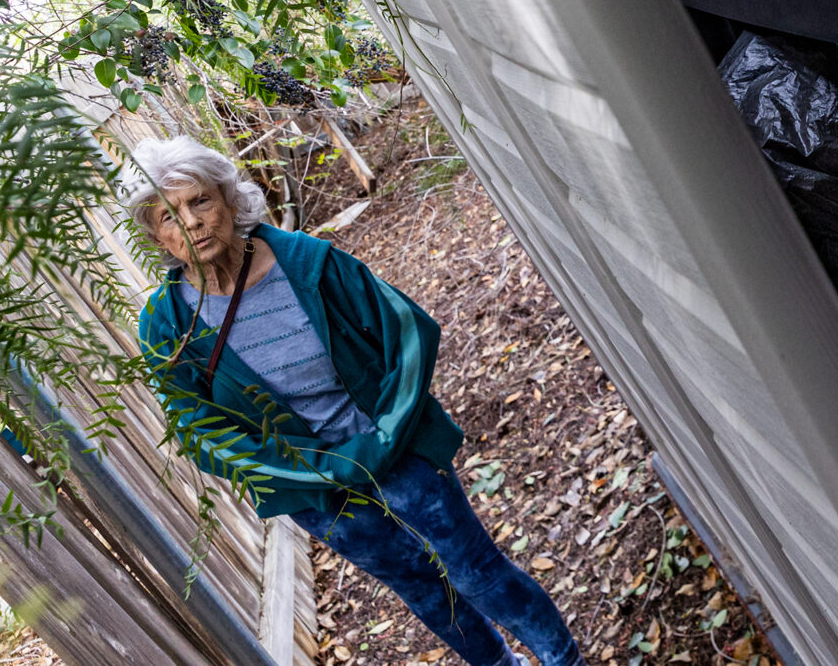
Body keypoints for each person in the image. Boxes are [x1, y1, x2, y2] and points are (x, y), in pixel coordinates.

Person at [126, 135, 581, 666]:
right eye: (167, 215)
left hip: (398, 452)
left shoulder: (308, 262)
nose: (191, 223)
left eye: (199, 201)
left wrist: (384, 438)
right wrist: (318, 471)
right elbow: (200, 432)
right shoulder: (167, 324)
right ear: (156, 236)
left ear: (228, 199)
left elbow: (406, 332)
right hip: (318, 496)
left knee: (474, 570)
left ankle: (564, 659)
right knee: (425, 590)